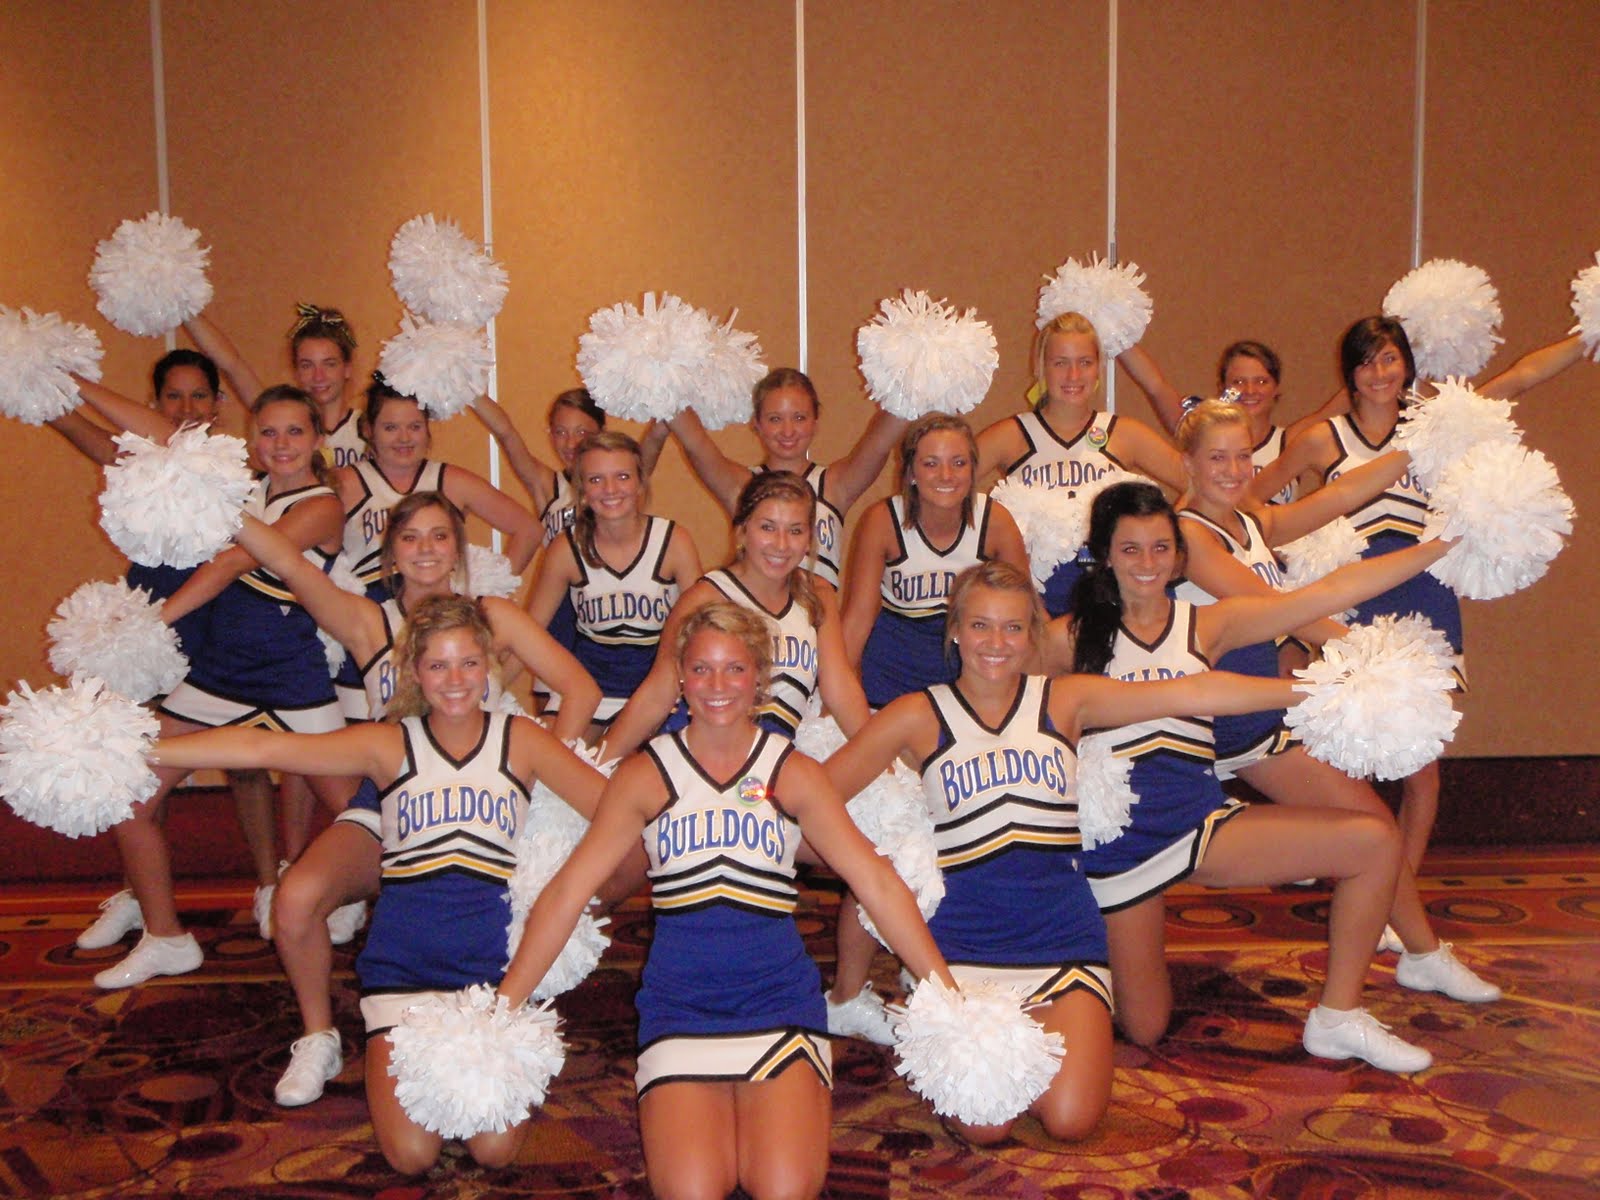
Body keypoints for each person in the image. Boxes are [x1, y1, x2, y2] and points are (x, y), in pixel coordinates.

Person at [826, 561, 1330, 1141]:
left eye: (1014, 628)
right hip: (964, 947)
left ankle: (1039, 1016)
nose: (996, 643)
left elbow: (1192, 689)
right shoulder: (915, 715)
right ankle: (923, 1004)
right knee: (984, 1126)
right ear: (956, 630)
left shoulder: (1066, 700)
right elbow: (818, 795)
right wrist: (867, 866)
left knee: (1071, 1121)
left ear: (1033, 637)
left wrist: (1313, 688)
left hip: (1063, 939)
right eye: (981, 625)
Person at [496, 602, 956, 1200]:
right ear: (680, 678)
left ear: (760, 678)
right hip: (680, 1006)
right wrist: (504, 1006)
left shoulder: (793, 772)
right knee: (693, 1191)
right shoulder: (645, 775)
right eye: (702, 669)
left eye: (735, 669)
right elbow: (567, 893)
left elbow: (877, 880)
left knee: (783, 1190)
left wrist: (948, 997)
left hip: (779, 1002)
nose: (718, 686)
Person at [151, 595, 608, 1174]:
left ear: (490, 664)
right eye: (438, 665)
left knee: (494, 1151)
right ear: (414, 670)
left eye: (469, 662)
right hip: (403, 972)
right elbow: (261, 745)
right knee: (411, 1158)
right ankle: (362, 1041)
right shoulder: (387, 743)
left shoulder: (522, 738)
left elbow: (614, 809)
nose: (456, 680)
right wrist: (141, 748)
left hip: (493, 979)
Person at [1045, 480, 1469, 1071]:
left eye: (1161, 548)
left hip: (1201, 823)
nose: (1148, 564)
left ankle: (1337, 1018)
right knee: (1145, 1027)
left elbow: (1329, 592)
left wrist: (1445, 544)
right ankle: (1074, 953)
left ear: (1179, 554)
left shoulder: (1207, 625)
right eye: (1131, 549)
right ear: (1105, 554)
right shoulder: (1065, 637)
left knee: (1373, 840)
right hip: (1119, 852)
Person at [229, 490, 601, 1106]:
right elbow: (289, 564)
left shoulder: (492, 615)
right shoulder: (366, 621)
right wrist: (216, 506)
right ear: (390, 553)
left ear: (459, 549)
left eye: (439, 536)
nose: (426, 550)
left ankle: (512, 1016)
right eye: (411, 538)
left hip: (489, 805)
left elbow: (579, 690)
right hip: (392, 804)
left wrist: (532, 787)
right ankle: (319, 1036)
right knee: (294, 900)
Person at [1170, 399, 1501, 998]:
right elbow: (1285, 613)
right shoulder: (1188, 537)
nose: (1234, 469)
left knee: (1373, 823)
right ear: (1187, 464)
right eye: (1217, 457)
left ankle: (1421, 954)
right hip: (1195, 731)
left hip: (1253, 728)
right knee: (1362, 832)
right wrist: (1373, 654)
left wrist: (1422, 447)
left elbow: (1341, 496)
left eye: (1243, 455)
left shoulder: (1250, 523)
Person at [75, 384, 352, 990]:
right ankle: (166, 937)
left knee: (370, 815)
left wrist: (149, 624)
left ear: (317, 440)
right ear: (253, 439)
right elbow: (163, 437)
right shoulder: (240, 487)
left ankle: (413, 912)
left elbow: (230, 563)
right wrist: (72, 382)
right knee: (133, 800)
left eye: (295, 432)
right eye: (268, 432)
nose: (280, 444)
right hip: (220, 677)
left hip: (292, 682)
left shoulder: (322, 505)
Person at [50, 355, 277, 951]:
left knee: (247, 765)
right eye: (173, 398)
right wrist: (36, 388)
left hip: (219, 614)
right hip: (152, 609)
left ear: (219, 404)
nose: (187, 410)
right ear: (153, 403)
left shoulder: (233, 466)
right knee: (140, 755)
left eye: (200, 396)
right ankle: (136, 898)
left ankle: (267, 887)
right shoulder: (140, 462)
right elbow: (85, 435)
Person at [1248, 318, 1464, 883]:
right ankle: (1336, 851)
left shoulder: (1431, 433)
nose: (1379, 373)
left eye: (1389, 359)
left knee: (1422, 769)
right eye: (1366, 362)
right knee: (1326, 737)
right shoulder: (1323, 439)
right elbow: (1252, 501)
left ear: (1407, 366)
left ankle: (1401, 891)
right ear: (1350, 374)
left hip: (1422, 600)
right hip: (1349, 599)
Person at [602, 470, 869, 760]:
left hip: (778, 758)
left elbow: (839, 688)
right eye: (767, 527)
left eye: (795, 530)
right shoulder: (706, 597)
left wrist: (884, 765)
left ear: (809, 539)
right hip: (703, 755)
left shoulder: (817, 593)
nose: (781, 544)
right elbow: (658, 692)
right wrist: (601, 763)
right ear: (742, 530)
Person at [974, 311, 1185, 614]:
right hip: (1039, 602)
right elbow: (948, 488)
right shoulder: (1012, 435)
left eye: (1085, 363)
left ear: (1099, 368)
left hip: (1115, 598)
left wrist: (1169, 544)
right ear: (1040, 367)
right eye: (1061, 363)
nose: (1073, 376)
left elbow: (1197, 484)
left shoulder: (1124, 432)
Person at [842, 414, 1029, 709]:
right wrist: (830, 709)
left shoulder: (995, 521)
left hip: (970, 676)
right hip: (891, 679)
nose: (946, 475)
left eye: (959, 463)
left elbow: (1026, 612)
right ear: (911, 472)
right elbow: (857, 619)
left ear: (972, 470)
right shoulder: (883, 521)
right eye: (931, 463)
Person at [524, 431, 700, 740]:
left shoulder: (674, 542)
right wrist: (487, 686)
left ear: (640, 483)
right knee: (554, 773)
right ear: (581, 490)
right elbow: (528, 633)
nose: (610, 490)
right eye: (595, 480)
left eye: (622, 476)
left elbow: (703, 628)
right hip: (589, 692)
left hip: (659, 693)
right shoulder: (566, 549)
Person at [668, 367, 908, 587]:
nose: (788, 431)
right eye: (775, 419)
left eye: (799, 418)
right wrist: (658, 370)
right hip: (752, 626)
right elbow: (695, 443)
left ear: (815, 421)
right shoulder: (743, 487)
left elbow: (881, 440)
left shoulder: (835, 485)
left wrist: (920, 367)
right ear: (757, 424)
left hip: (816, 626)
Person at [334, 376, 540, 597]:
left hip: (439, 613)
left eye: (414, 427)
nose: (404, 438)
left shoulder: (452, 481)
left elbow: (529, 529)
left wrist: (486, 591)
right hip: (372, 616)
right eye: (390, 428)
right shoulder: (344, 484)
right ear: (368, 429)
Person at [1117, 339, 1332, 504]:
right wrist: (1111, 324)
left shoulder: (1292, 441)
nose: (1249, 391)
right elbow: (1155, 385)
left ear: (1276, 387)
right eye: (1238, 382)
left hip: (1273, 556)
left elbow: (1345, 400)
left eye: (1261, 381)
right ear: (1222, 386)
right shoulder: (1202, 433)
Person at [185, 302, 368, 466]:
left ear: (347, 368)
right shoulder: (279, 419)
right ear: (296, 371)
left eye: (329, 364)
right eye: (307, 365)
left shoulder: (370, 428)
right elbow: (233, 365)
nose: (318, 376)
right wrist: (182, 305)